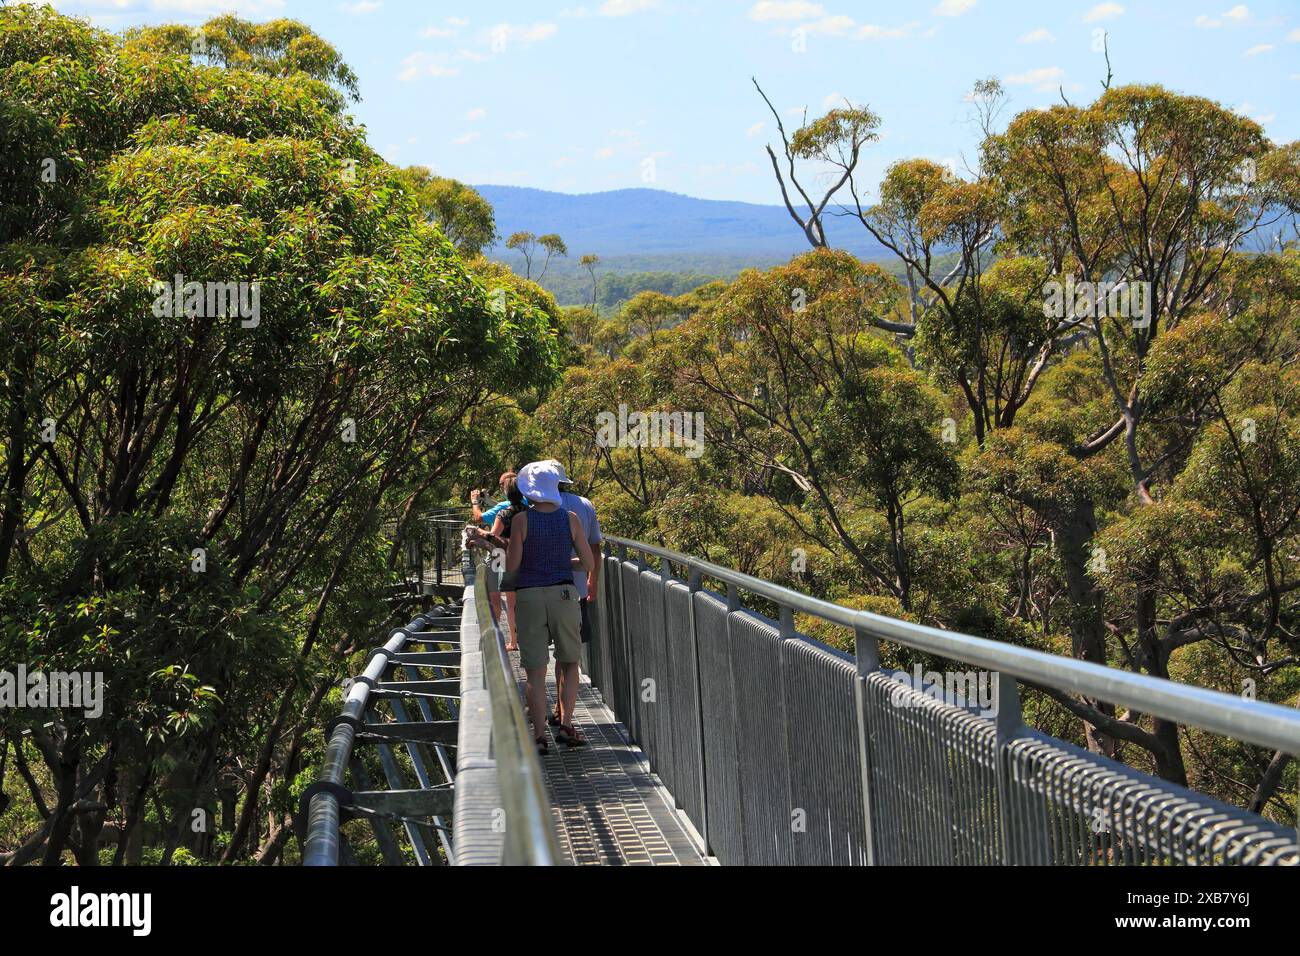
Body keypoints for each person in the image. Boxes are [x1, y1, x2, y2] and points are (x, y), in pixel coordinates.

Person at [508, 461, 594, 754]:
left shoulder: (521, 521)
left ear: (529, 490)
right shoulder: (570, 519)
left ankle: (539, 736)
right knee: (570, 663)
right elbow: (588, 564)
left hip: (530, 597)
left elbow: (513, 566)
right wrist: (562, 562)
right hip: (565, 596)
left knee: (534, 670)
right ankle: (567, 725)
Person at [537, 460, 603, 728]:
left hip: (542, 590)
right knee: (569, 657)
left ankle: (549, 712)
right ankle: (563, 715)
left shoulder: (539, 508)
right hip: (575, 591)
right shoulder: (584, 505)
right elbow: (595, 548)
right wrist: (593, 581)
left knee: (544, 657)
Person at [466, 478, 527, 651]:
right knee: (517, 601)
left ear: (507, 491)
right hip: (526, 558)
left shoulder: (504, 513)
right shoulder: (529, 510)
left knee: (505, 598)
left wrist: (478, 535)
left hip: (503, 558)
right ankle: (519, 638)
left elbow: (493, 536)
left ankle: (510, 640)